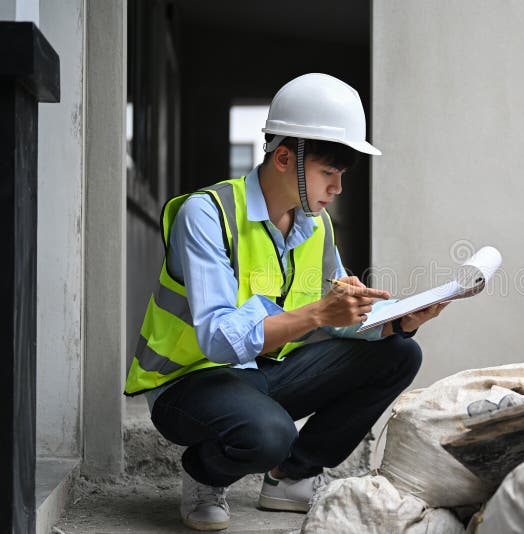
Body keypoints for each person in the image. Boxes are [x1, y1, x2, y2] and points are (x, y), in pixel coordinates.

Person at [123, 73, 447, 531]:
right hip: (189, 383)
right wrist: (318, 312)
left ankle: (290, 477)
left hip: (264, 373)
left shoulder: (316, 226)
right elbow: (218, 339)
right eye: (328, 173)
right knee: (268, 434)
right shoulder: (206, 214)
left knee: (399, 354)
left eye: (341, 175)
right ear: (283, 159)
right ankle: (202, 474)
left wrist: (398, 322)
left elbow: (337, 320)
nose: (337, 188)